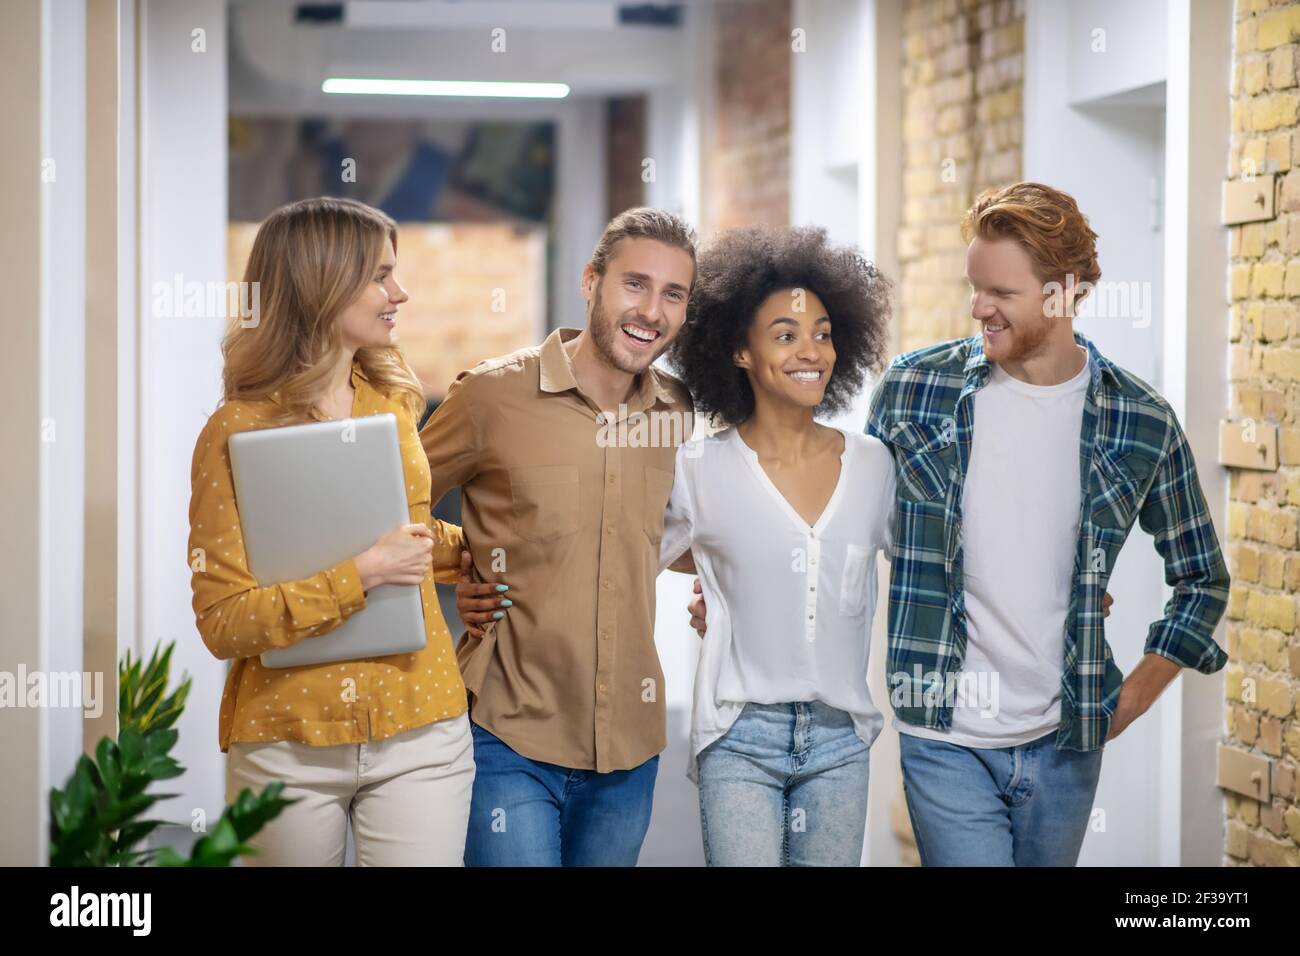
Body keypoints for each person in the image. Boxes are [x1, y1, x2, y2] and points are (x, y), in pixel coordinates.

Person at [188, 196, 474, 866]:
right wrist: (362, 575)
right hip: (287, 739)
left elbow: (406, 540)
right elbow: (224, 622)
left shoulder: (394, 406)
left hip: (421, 724)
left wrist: (477, 552)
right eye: (379, 275)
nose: (398, 292)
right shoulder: (235, 431)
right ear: (320, 284)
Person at [424, 207, 697, 866]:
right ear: (591, 281)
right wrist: (463, 559)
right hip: (508, 734)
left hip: (629, 750)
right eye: (635, 284)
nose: (651, 309)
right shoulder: (492, 397)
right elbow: (390, 508)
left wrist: (728, 581)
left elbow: (673, 535)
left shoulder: (677, 415)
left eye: (672, 294)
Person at [659, 226, 893, 866]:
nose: (811, 350)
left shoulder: (874, 466)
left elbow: (935, 568)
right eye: (785, 335)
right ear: (740, 352)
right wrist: (722, 575)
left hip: (842, 738)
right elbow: (630, 558)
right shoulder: (699, 467)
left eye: (822, 332)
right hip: (739, 735)